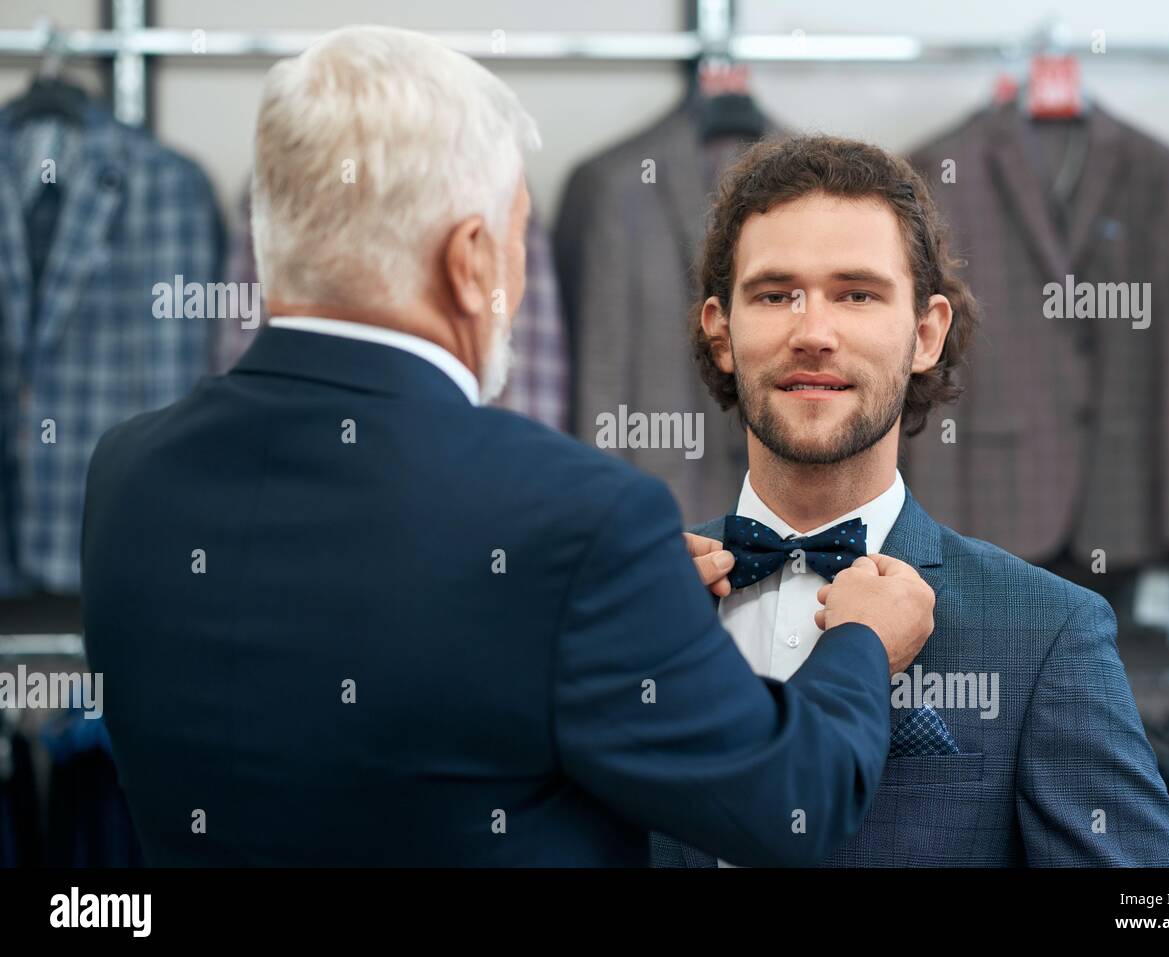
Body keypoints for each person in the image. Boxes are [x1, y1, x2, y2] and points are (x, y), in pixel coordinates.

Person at [79, 27, 936, 866]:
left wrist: (609, 619)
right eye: (519, 238)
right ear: (471, 260)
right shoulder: (579, 518)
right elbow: (791, 805)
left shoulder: (127, 474)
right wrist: (862, 641)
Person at [654, 135, 1169, 867]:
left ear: (926, 333)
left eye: (857, 294)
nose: (814, 332)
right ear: (722, 332)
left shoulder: (1045, 637)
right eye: (777, 294)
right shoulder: (626, 609)